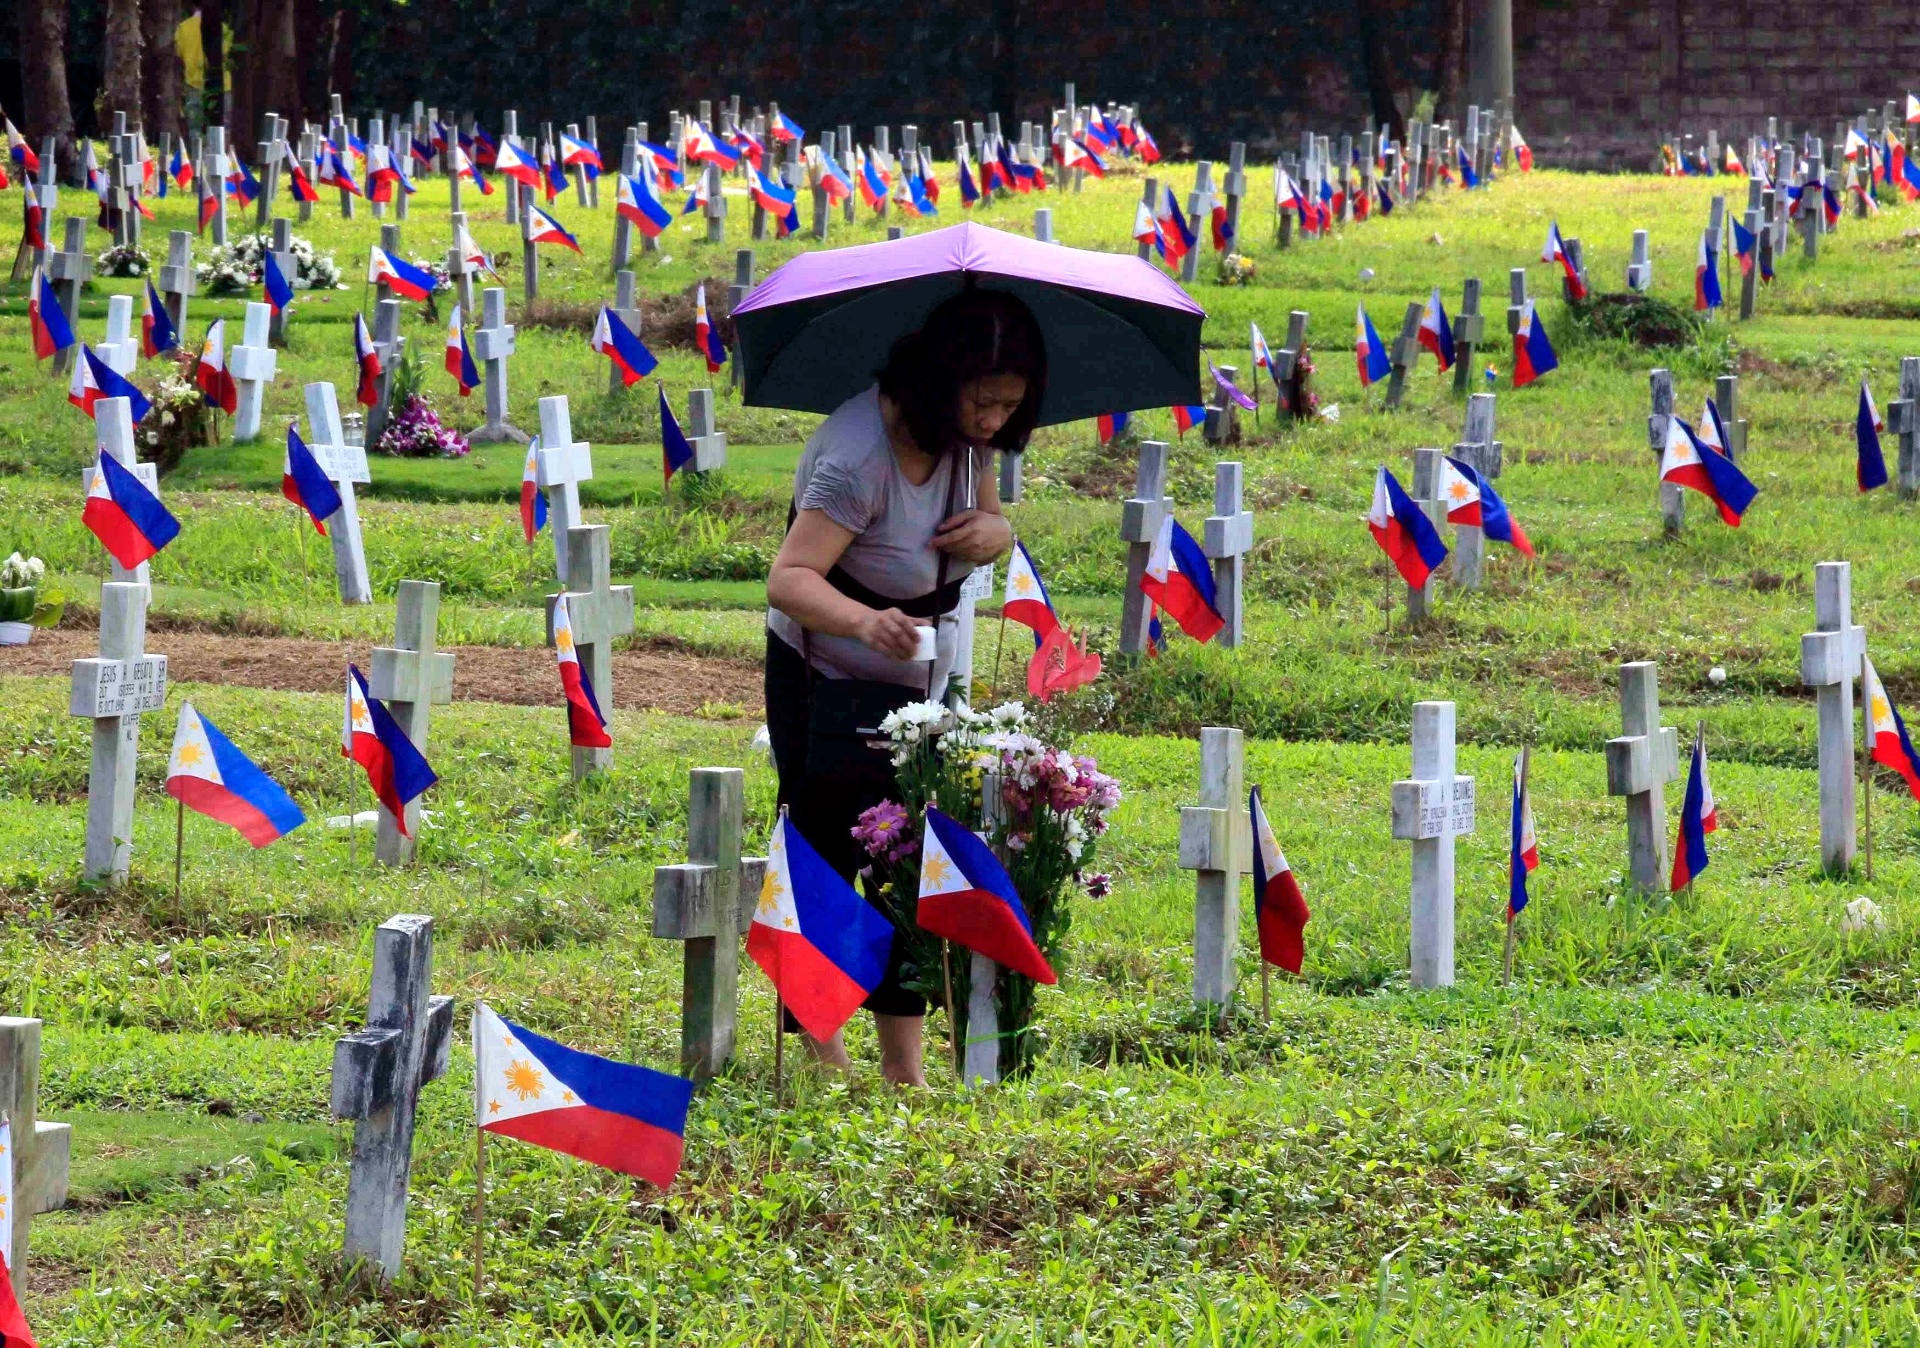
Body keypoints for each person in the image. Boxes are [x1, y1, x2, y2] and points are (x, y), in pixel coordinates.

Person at [764, 288, 1046, 1086]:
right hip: (825, 677)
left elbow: (989, 522)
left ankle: (903, 1069)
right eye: (983, 400)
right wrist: (864, 623)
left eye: (1010, 406)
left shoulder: (967, 442)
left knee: (912, 862)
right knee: (827, 857)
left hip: (924, 677)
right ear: (939, 379)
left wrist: (997, 531)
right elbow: (789, 578)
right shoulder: (857, 458)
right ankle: (822, 1056)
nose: (993, 420)